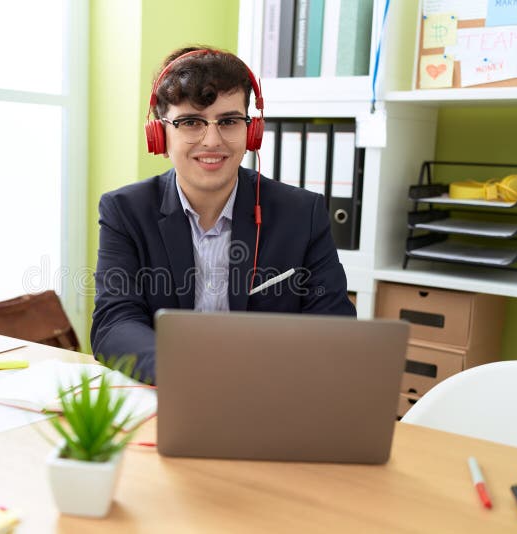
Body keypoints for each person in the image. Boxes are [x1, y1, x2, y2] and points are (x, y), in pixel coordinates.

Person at [91, 46, 356, 383]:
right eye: (191, 122)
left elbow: (334, 329)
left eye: (229, 121)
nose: (212, 141)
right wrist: (188, 372)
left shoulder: (303, 214)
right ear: (159, 134)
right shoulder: (125, 211)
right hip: (171, 390)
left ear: (252, 131)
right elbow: (114, 324)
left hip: (267, 392)